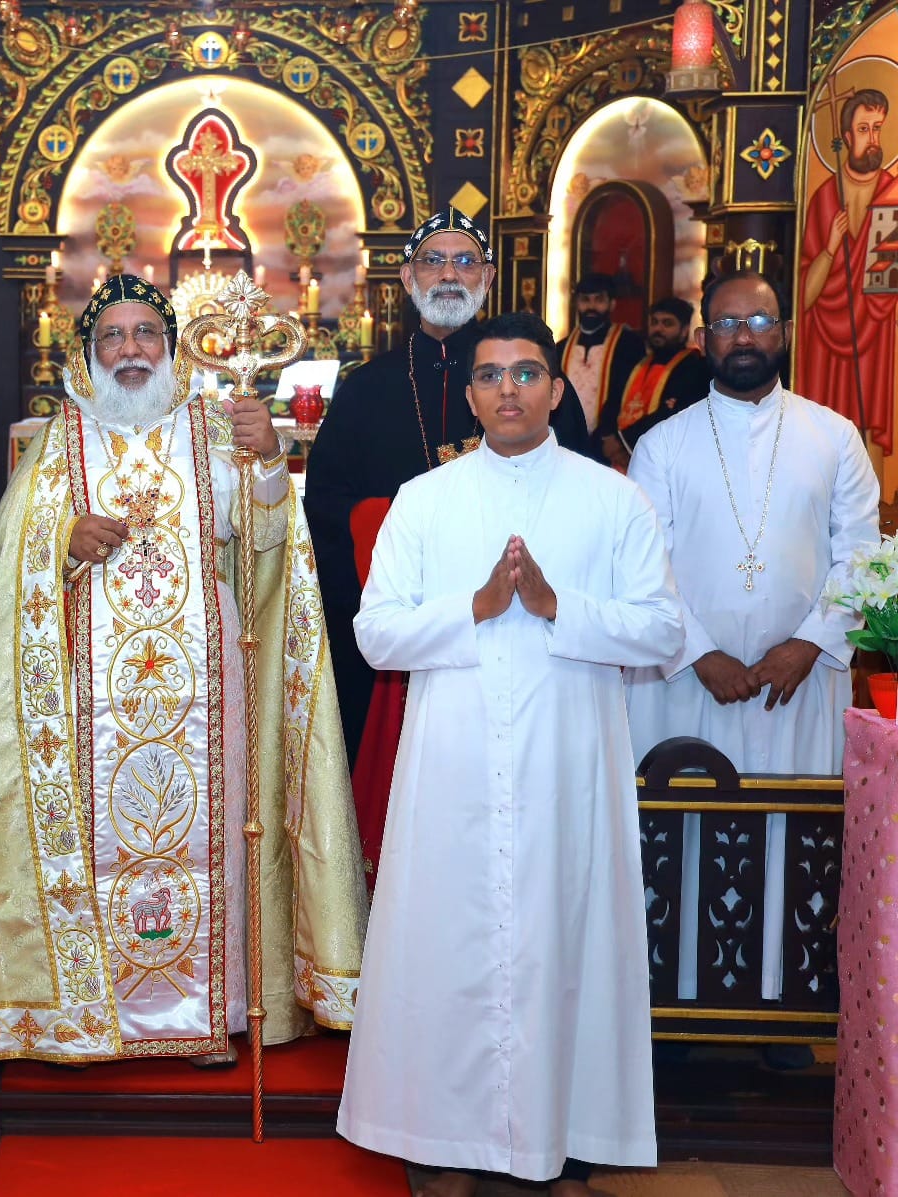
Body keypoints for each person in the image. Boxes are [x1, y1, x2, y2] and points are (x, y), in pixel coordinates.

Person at [0, 275, 367, 1064]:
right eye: (112, 336)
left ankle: (209, 1015)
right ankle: (100, 1011)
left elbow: (270, 545)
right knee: (103, 844)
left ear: (172, 346)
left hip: (208, 684)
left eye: (146, 333)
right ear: (88, 353)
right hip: (91, 692)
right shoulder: (57, 439)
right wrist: (62, 540)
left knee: (215, 836)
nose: (131, 351)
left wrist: (271, 459)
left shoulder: (218, 427)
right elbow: (8, 553)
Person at [337, 311, 681, 1196]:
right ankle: (440, 1137)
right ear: (471, 392)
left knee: (561, 943)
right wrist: (480, 604)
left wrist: (561, 604)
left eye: (527, 374)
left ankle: (559, 1138)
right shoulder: (426, 499)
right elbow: (376, 633)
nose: (508, 391)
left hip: (571, 762)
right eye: (490, 376)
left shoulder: (614, 498)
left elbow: (663, 630)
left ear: (557, 390)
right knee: (449, 943)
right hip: (451, 763)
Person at [304, 208, 590, 884]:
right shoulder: (366, 387)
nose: (450, 274)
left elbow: (576, 493)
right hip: (401, 641)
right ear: (407, 277)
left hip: (518, 629)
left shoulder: (540, 379)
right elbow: (327, 510)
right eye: (435, 260)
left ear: (489, 276)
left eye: (466, 261)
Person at [626, 271, 878, 1009]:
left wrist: (808, 643)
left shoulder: (834, 437)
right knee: (686, 842)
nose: (743, 337)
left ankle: (781, 1002)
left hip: (797, 686)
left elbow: (862, 556)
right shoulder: (661, 445)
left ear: (784, 334)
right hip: (686, 687)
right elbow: (646, 563)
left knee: (789, 842)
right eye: (728, 325)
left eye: (759, 321)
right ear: (704, 339)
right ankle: (675, 999)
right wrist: (698, 651)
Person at [798, 88, 898, 449]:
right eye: (864, 129)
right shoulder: (824, 198)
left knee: (868, 434)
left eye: (878, 128)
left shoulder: (893, 194)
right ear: (845, 137)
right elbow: (805, 297)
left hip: (877, 335)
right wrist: (829, 248)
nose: (873, 139)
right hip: (826, 339)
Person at [599, 296, 711, 469]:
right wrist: (609, 437)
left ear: (684, 330)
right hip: (619, 460)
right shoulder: (636, 362)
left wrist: (623, 443)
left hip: (662, 457)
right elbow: (613, 402)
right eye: (655, 322)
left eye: (667, 324)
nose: (658, 329)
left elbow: (674, 412)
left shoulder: (694, 366)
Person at [559, 272, 645, 443]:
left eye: (599, 300)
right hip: (566, 441)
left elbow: (630, 395)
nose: (591, 307)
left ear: (612, 304)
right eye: (585, 300)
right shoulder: (560, 348)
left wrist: (610, 435)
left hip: (609, 442)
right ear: (577, 304)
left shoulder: (629, 345)